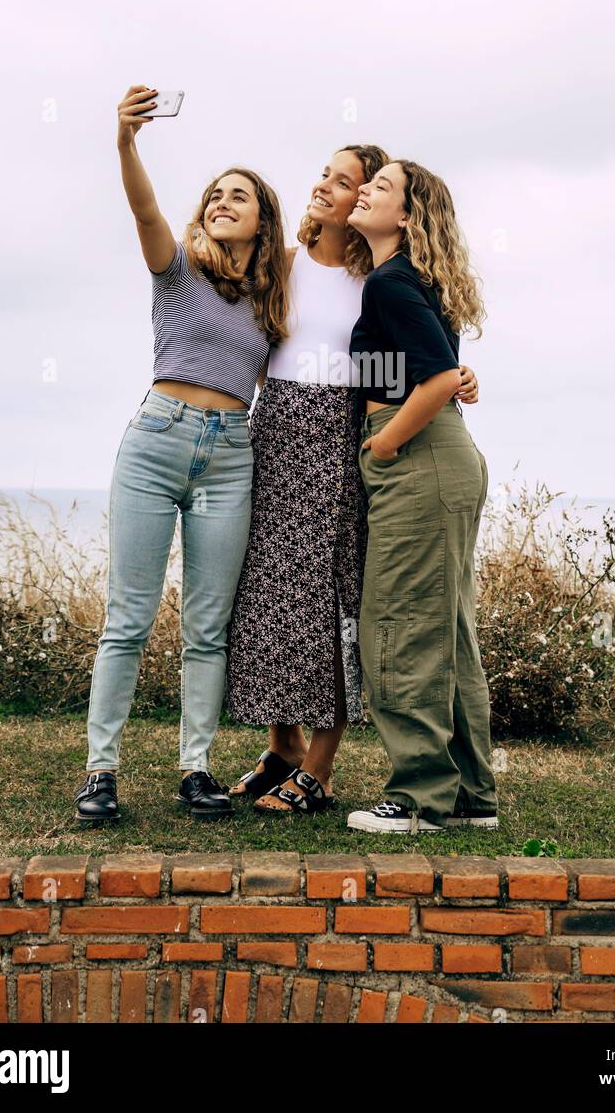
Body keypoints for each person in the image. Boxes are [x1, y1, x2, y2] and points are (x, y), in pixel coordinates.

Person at [226, 146, 480, 816]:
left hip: (345, 435)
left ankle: (321, 764)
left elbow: (423, 356)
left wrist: (456, 382)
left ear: (369, 200)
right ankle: (281, 745)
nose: (327, 187)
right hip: (275, 428)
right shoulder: (280, 264)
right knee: (267, 595)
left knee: (334, 596)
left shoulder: (382, 278)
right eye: (327, 175)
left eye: (347, 182)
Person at [74, 84, 288, 827]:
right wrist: (126, 141)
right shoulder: (176, 272)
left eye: (240, 196)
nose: (222, 201)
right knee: (127, 619)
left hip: (231, 456)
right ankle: (101, 771)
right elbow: (143, 210)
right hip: (156, 443)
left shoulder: (269, 301)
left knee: (207, 626)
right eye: (215, 194)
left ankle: (195, 770)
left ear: (263, 221)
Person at [345, 158, 499, 833]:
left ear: (407, 216)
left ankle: (419, 799)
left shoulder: (392, 281)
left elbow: (435, 381)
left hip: (417, 453)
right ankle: (469, 796)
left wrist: (382, 443)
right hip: (442, 456)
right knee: (446, 630)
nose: (364, 191)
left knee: (399, 625)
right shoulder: (405, 280)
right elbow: (439, 370)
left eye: (381, 187)